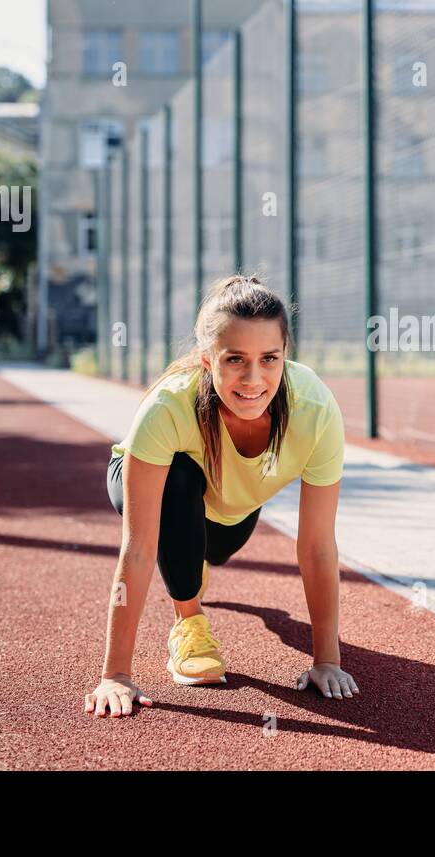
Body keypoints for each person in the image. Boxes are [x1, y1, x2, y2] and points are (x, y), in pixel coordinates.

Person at [83, 274, 359, 717]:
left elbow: (318, 546)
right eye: (235, 359)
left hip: (232, 511)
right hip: (158, 486)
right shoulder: (168, 406)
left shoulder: (315, 409)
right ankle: (189, 620)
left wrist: (327, 661)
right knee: (179, 483)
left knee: (211, 549)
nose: (253, 378)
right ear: (208, 361)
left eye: (269, 358)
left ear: (285, 356)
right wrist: (114, 674)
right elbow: (138, 550)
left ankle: (193, 563)